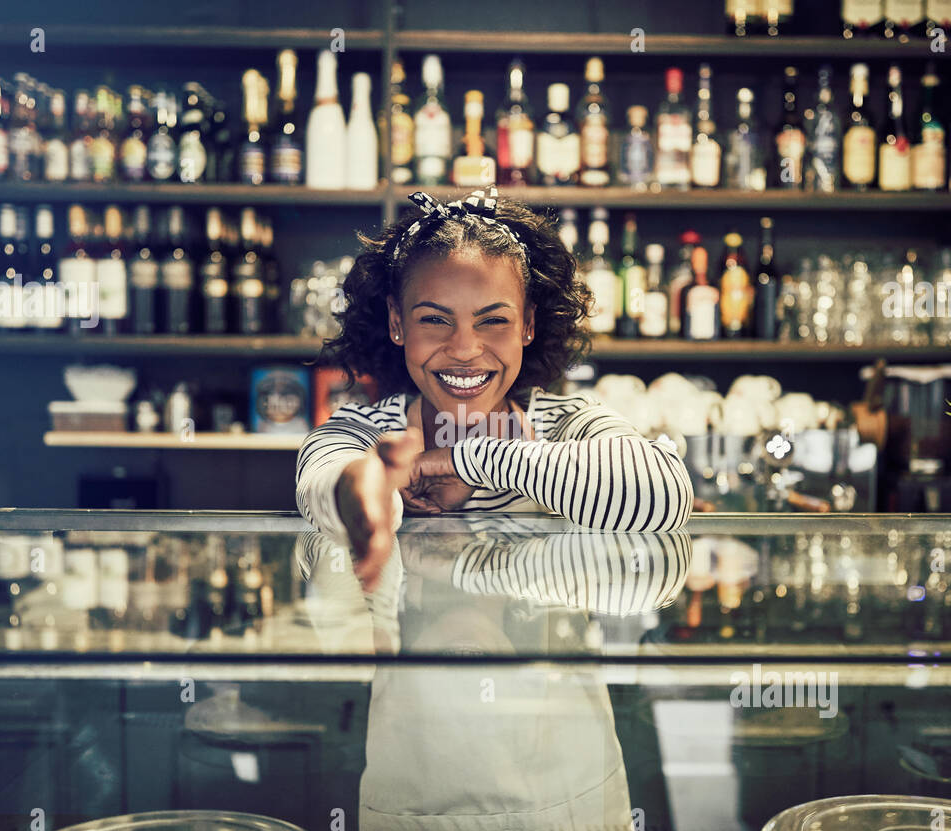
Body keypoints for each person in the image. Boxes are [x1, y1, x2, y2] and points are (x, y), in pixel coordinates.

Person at [296, 185, 693, 589]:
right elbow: (326, 487)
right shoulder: (361, 432)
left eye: (493, 320)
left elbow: (664, 495)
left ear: (528, 325)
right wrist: (364, 489)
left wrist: (464, 460)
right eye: (434, 319)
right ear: (397, 323)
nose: (465, 349)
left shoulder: (569, 426)